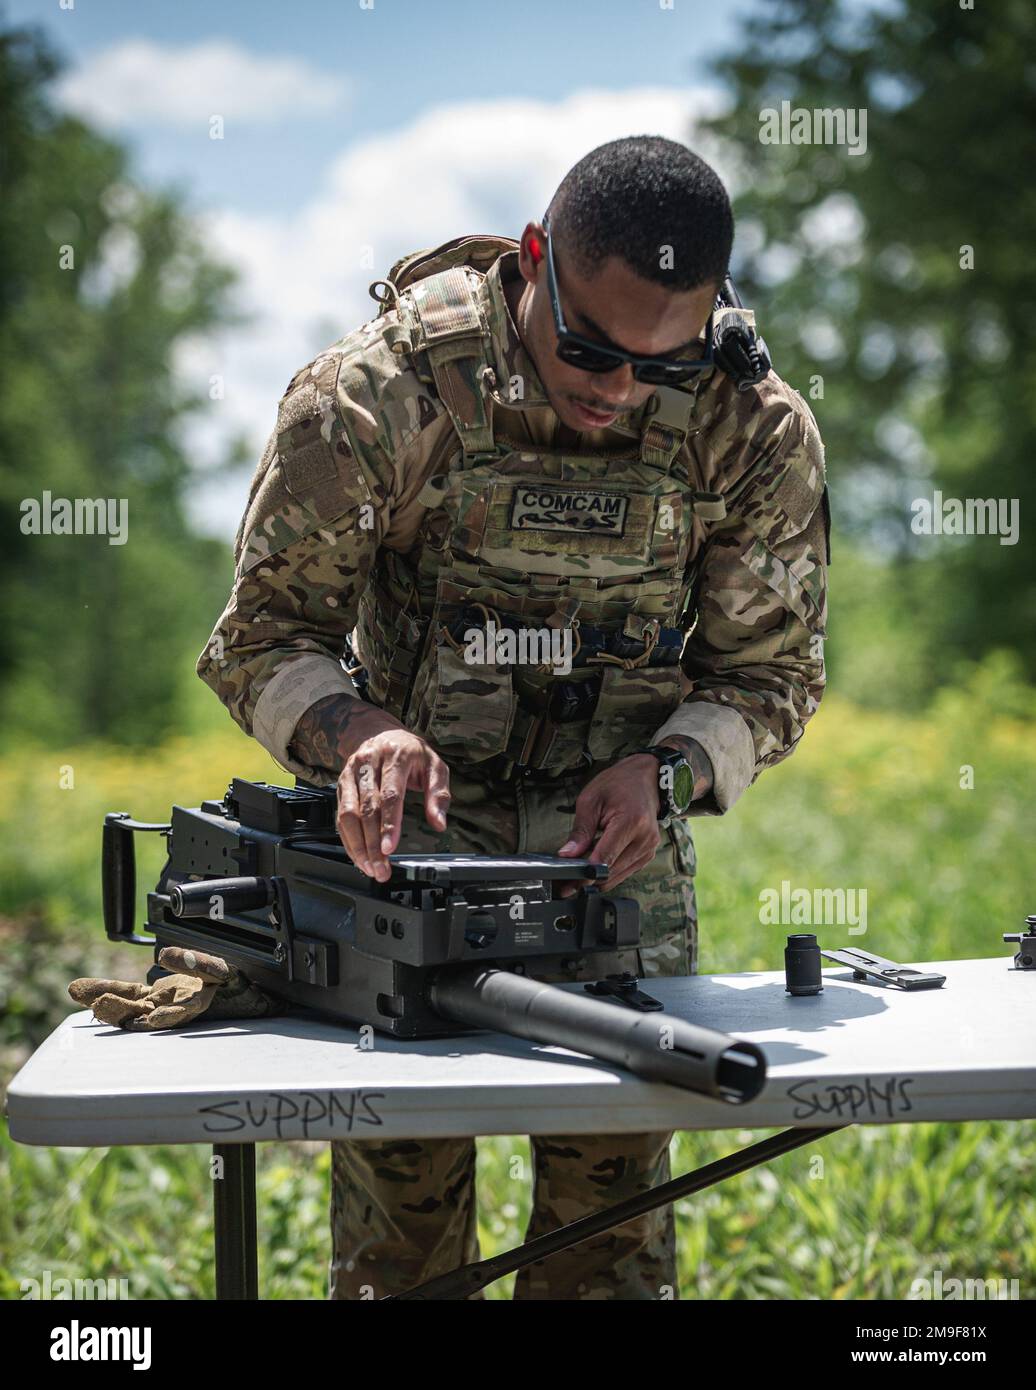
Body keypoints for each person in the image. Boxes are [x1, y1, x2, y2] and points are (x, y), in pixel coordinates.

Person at [197, 134, 829, 1299]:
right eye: (587, 349)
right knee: (403, 1244)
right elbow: (260, 637)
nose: (616, 391)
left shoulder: (750, 429)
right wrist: (357, 733)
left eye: (662, 363)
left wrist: (670, 771)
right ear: (534, 259)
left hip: (611, 870)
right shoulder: (377, 395)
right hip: (402, 862)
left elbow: (771, 674)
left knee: (612, 1246)